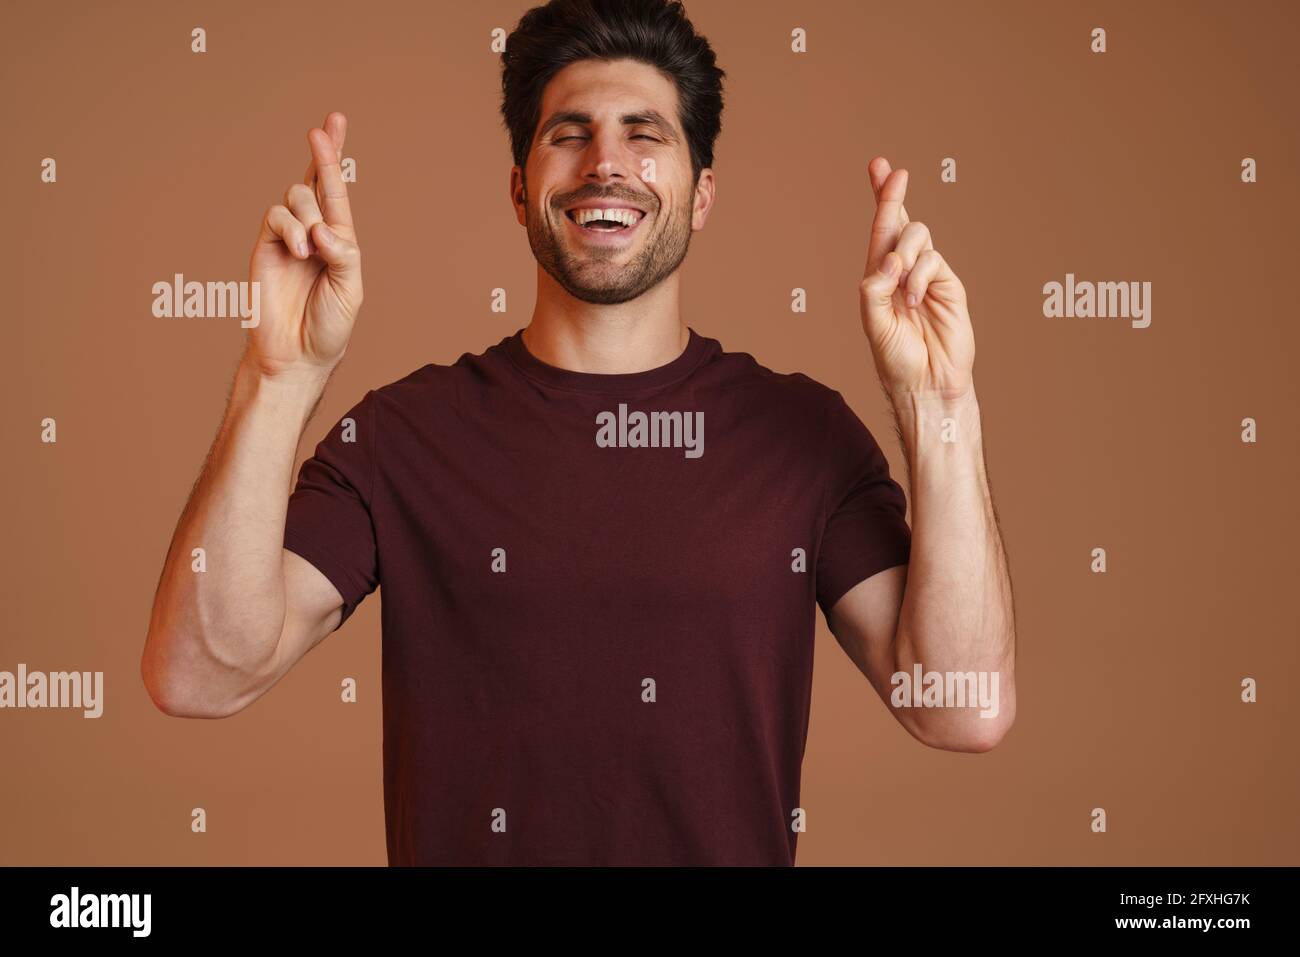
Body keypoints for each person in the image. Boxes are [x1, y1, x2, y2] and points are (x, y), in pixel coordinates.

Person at [141, 0, 1016, 866]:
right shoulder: (404, 435)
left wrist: (941, 403)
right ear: (520, 188)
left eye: (645, 133)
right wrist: (279, 375)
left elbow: (963, 708)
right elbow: (198, 673)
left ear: (701, 194)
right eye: (569, 133)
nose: (607, 163)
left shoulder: (805, 437)